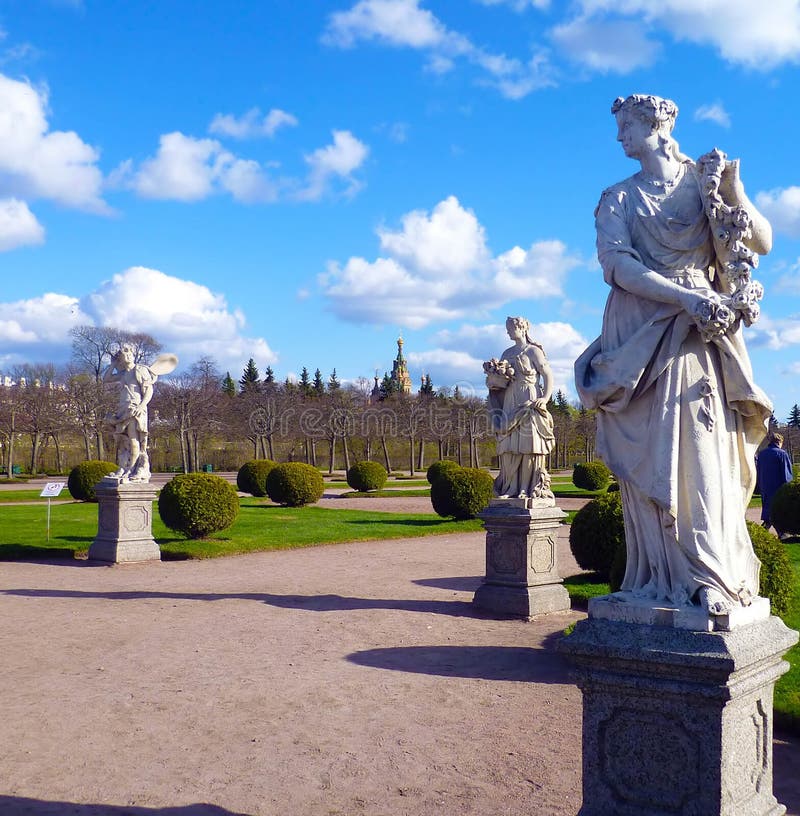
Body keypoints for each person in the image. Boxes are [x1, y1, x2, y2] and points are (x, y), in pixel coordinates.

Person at [575, 94, 773, 615]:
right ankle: (654, 579)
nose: (620, 138)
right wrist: (685, 295)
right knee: (646, 465)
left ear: (655, 126)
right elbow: (617, 267)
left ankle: (709, 574)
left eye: (626, 127)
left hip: (694, 334)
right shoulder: (617, 199)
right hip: (640, 331)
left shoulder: (702, 180)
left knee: (699, 450)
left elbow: (764, 241)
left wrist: (735, 191)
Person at [485, 316, 555, 500]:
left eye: (510, 328)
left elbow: (548, 375)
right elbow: (501, 383)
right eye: (507, 328)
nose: (508, 331)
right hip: (510, 401)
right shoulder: (506, 353)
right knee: (509, 446)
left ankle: (527, 488)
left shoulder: (533, 351)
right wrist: (494, 381)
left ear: (521, 328)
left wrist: (545, 398)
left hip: (529, 401)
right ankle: (510, 488)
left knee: (529, 446)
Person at [103, 344, 156, 482]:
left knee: (134, 439)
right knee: (122, 441)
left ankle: (132, 469)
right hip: (122, 410)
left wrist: (142, 405)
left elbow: (149, 390)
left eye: (128, 353)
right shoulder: (123, 374)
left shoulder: (139, 370)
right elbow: (106, 379)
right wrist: (113, 364)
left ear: (132, 355)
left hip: (134, 408)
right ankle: (124, 467)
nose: (125, 356)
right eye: (122, 355)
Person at [757, 432, 793, 532]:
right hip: (778, 487)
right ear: (779, 442)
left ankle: (763, 532)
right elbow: (786, 474)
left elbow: (758, 471)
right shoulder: (782, 454)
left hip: (765, 488)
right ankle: (782, 532)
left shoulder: (762, 454)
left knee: (768, 511)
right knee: (780, 512)